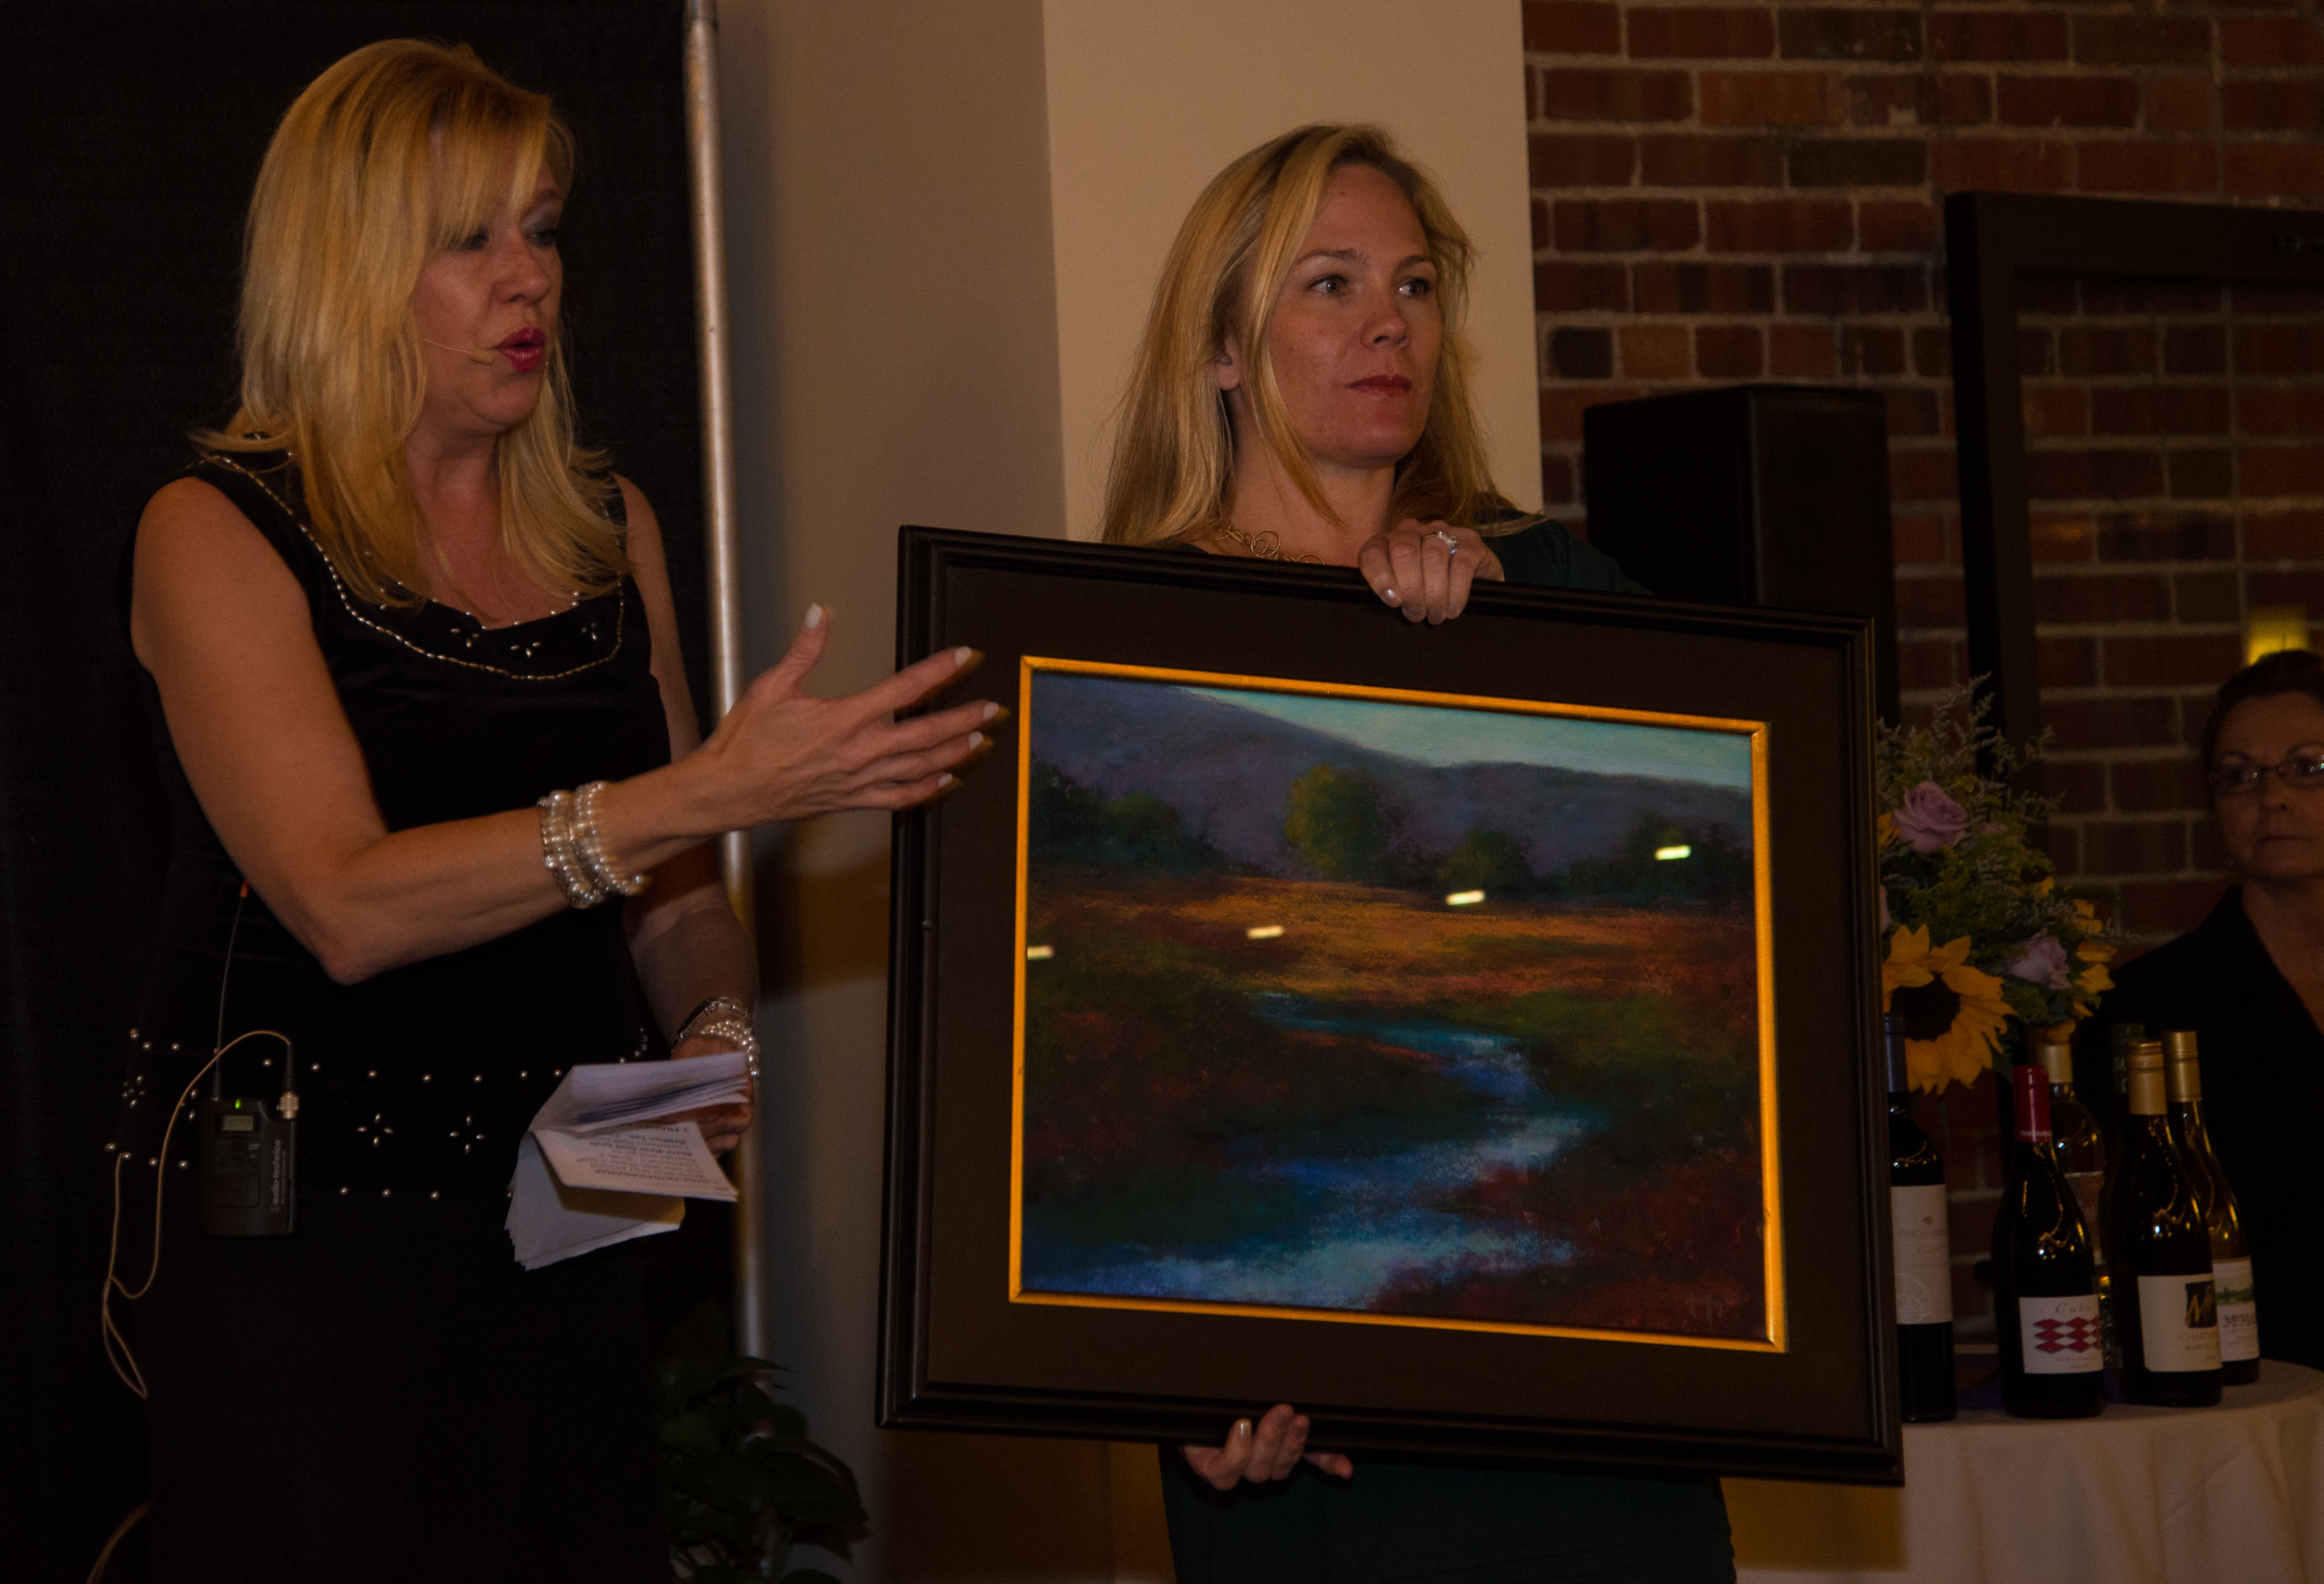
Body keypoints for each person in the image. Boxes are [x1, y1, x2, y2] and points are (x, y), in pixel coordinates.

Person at [107, 42, 994, 1581]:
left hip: (574, 1196)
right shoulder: (214, 530)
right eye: (473, 239)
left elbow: (681, 904)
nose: (530, 278)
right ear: (353, 266)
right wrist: (696, 789)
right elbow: (346, 901)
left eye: (546, 227)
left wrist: (718, 1040)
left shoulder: (603, 525)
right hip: (301, 1233)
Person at [1098, 122, 1733, 1582]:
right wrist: (1149, 1371)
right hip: (1301, 1455)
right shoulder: (1124, 639)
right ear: (1223, 350)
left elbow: (1738, 783)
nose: (1386, 319)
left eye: (1413, 284)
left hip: (1594, 1429)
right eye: (1327, 284)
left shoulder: (1555, 581)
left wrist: (1514, 595)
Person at [2080, 650, 2324, 1533]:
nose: (2273, 796)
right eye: (2239, 776)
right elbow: (2132, 1258)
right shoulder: (2150, 1013)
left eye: (2310, 767)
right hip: (2268, 1438)